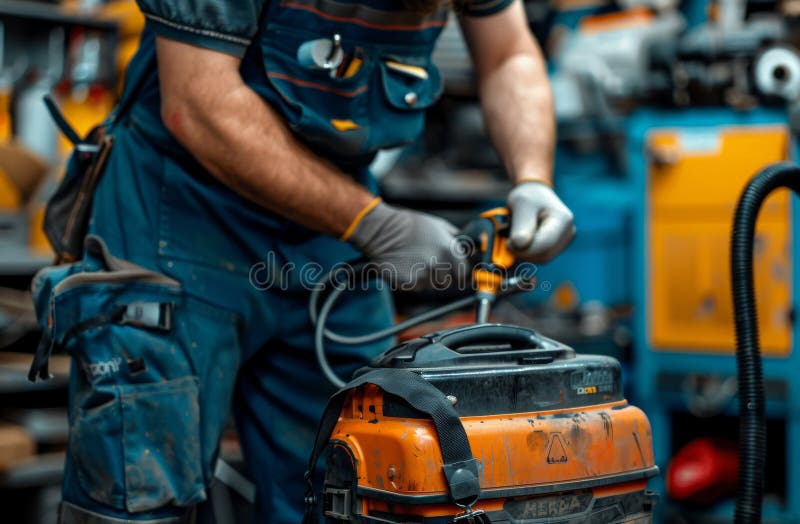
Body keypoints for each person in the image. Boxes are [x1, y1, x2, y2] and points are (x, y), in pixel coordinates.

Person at [43, 0, 574, 522]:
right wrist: (378, 225)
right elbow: (199, 103)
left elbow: (508, 53)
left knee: (362, 484)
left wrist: (532, 177)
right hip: (177, 218)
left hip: (331, 234)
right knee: (142, 491)